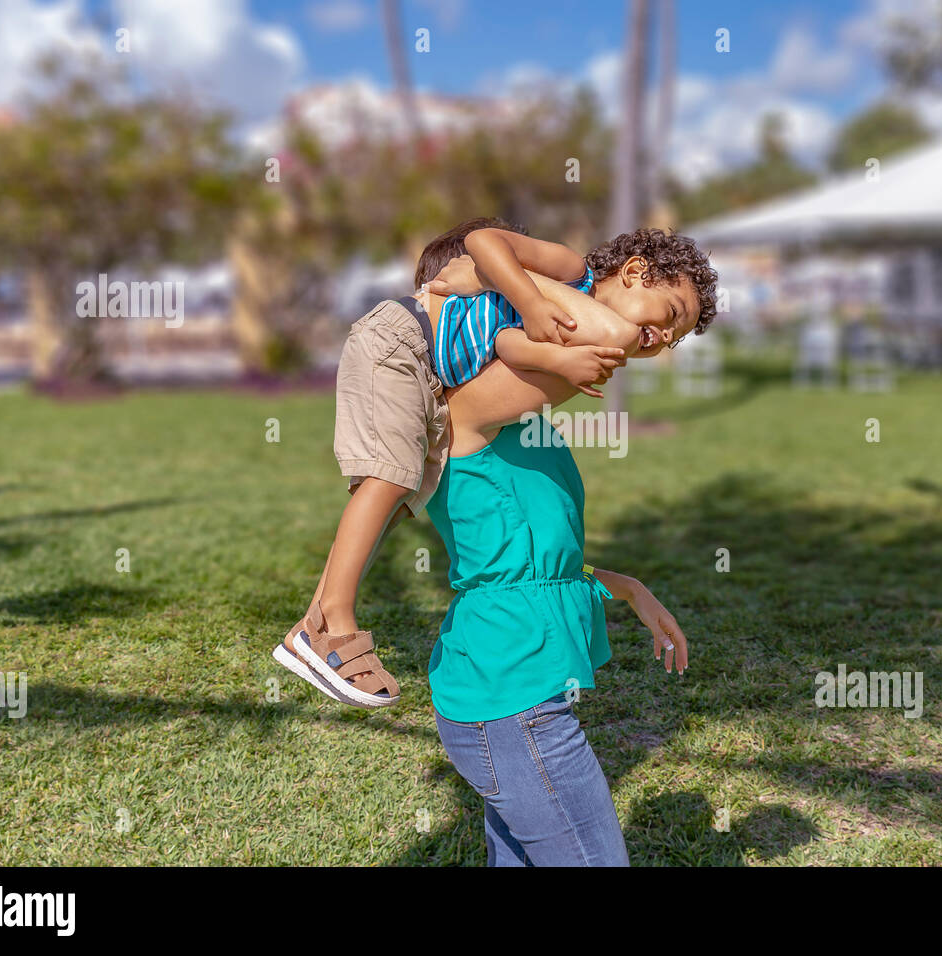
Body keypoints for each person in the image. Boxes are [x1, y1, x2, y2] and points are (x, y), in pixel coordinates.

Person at [273, 221, 718, 708]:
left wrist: (557, 360)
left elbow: (505, 341)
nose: (663, 336)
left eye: (674, 338)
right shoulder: (571, 272)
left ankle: (314, 623)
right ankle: (335, 621)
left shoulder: (578, 332)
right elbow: (483, 240)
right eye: (672, 313)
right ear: (634, 271)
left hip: (433, 374)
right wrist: (526, 296)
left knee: (399, 500)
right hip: (405, 341)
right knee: (386, 478)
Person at [422, 334, 692, 866]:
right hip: (510, 705)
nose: (664, 338)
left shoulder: (522, 422)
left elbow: (533, 559)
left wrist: (627, 587)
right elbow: (589, 355)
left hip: (511, 696)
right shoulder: (470, 412)